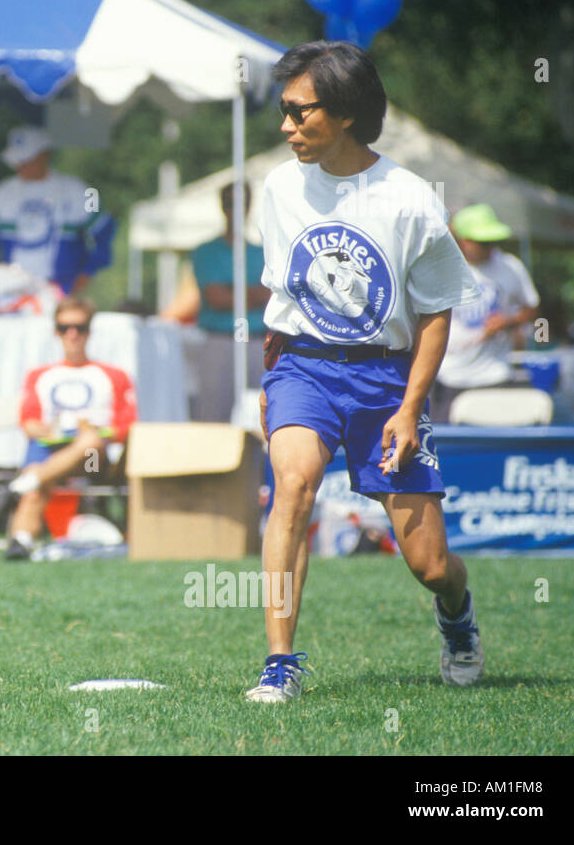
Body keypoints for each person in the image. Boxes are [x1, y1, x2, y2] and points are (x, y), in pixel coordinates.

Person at [251, 40, 483, 702]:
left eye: (301, 112)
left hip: (386, 383)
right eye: (284, 111)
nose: (287, 126)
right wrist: (274, 373)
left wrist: (409, 408)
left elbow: (436, 314)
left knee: (431, 565)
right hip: (303, 367)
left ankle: (458, 617)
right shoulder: (276, 188)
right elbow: (282, 294)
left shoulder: (410, 200)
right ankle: (279, 662)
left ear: (347, 112)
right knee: (291, 485)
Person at [3, 297, 136, 560]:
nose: (72, 335)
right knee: (39, 477)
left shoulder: (113, 375)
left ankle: (29, 481)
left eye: (80, 327)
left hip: (92, 461)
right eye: (65, 328)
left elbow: (128, 426)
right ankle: (21, 540)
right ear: (56, 332)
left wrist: (96, 428)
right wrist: (50, 431)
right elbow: (28, 422)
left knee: (89, 440)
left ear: (89, 331)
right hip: (52, 452)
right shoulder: (39, 376)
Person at [0, 127, 115, 296]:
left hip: (59, 292)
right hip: (12, 290)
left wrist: (85, 275)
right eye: (17, 160)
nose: (21, 165)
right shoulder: (2, 193)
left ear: (45, 154)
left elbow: (104, 233)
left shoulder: (79, 190)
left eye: (26, 159)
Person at [430, 204, 540, 423]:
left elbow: (533, 310)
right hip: (447, 377)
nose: (490, 247)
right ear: (462, 240)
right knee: (442, 449)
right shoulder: (440, 268)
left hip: (495, 375)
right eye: (483, 242)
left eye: (493, 241)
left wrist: (509, 321)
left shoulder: (510, 266)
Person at [188, 182, 272, 422]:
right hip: (219, 340)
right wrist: (252, 293)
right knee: (213, 415)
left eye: (241, 204)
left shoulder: (261, 251)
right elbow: (217, 298)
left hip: (257, 340)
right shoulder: (205, 251)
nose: (236, 209)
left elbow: (269, 295)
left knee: (260, 415)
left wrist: (233, 291)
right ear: (222, 207)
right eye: (230, 203)